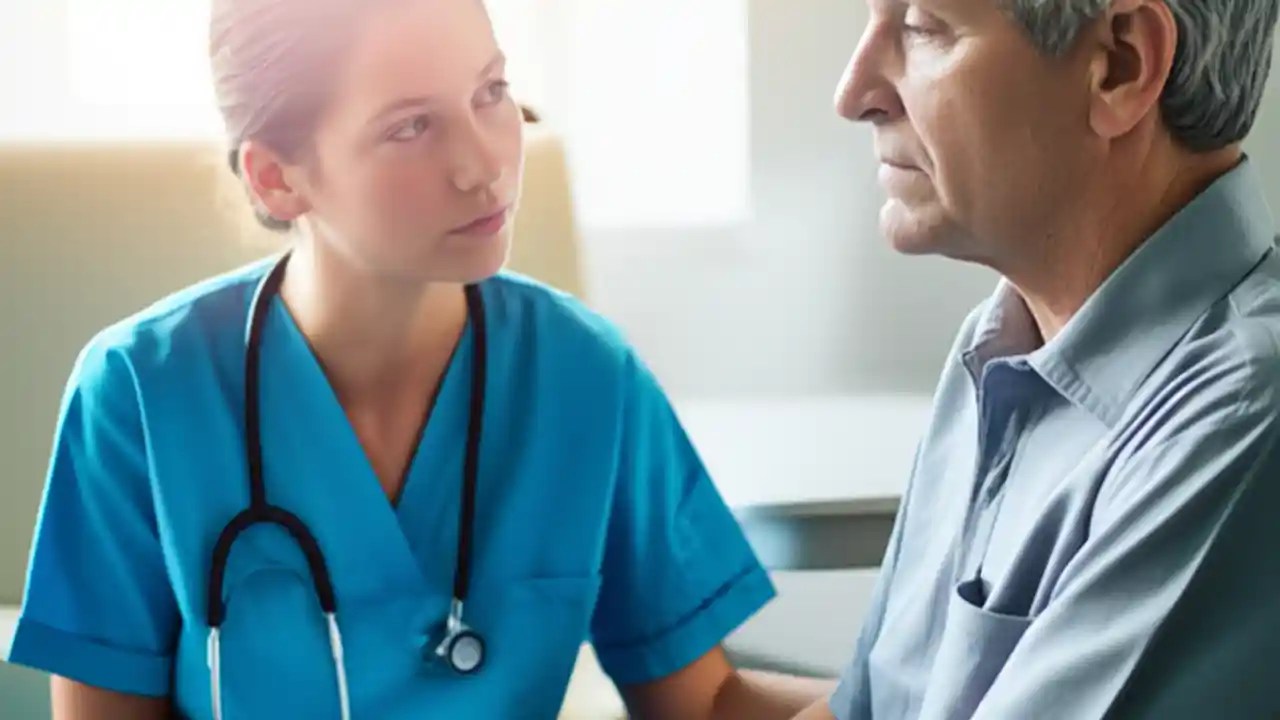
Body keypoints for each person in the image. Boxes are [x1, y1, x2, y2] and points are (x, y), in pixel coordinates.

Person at [3, 0, 835, 717]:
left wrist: (926, 690)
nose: (485, 166)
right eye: (411, 126)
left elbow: (701, 704)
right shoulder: (139, 395)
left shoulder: (586, 381)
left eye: (491, 93)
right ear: (276, 179)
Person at [794, 0, 1280, 718]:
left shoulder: (1243, 414)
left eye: (923, 28)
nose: (854, 93)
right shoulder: (995, 348)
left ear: (1120, 65)